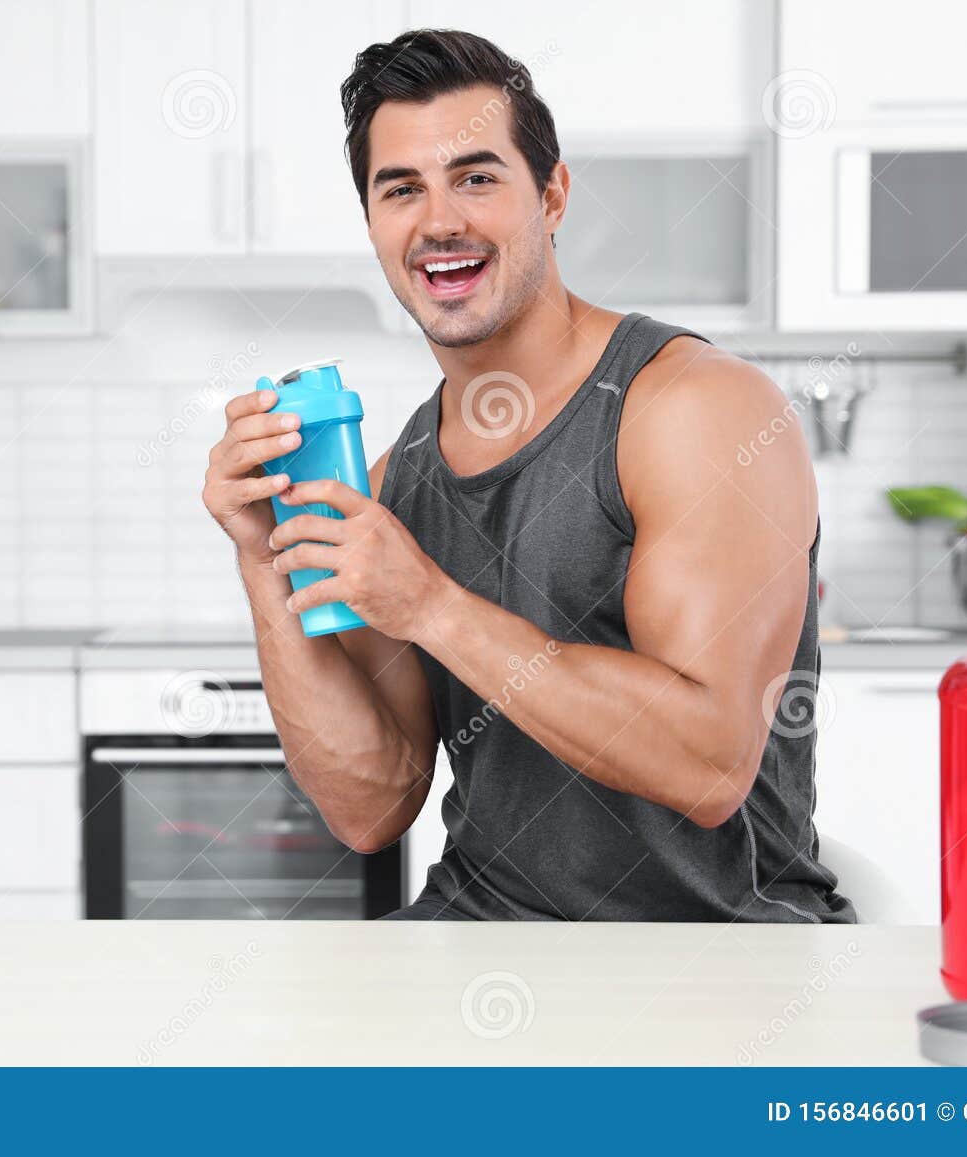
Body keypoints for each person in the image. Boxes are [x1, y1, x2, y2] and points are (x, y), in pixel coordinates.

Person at [201, 28, 854, 923]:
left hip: (713, 957)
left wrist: (430, 604)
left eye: (476, 177)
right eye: (402, 190)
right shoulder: (403, 476)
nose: (439, 222)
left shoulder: (697, 410)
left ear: (551, 197)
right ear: (373, 225)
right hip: (479, 933)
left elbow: (710, 765)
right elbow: (371, 805)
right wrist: (260, 558)